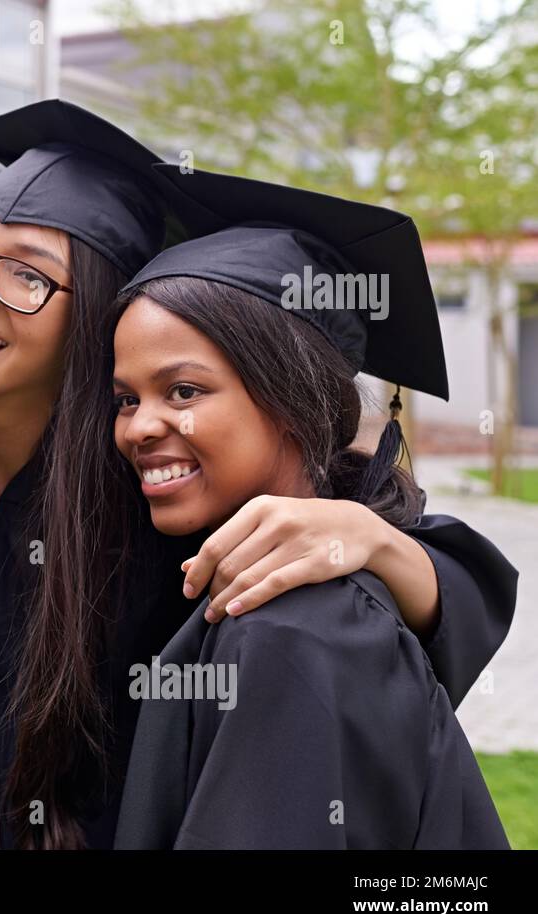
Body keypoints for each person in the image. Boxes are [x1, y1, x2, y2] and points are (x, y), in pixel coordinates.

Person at [0, 99, 516, 849]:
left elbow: (397, 603)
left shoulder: (148, 503)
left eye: (28, 275)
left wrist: (374, 540)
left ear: (90, 323)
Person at [109, 167, 510, 848]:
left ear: (293, 404)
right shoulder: (253, 588)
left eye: (182, 391)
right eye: (125, 398)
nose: (137, 427)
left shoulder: (289, 630)